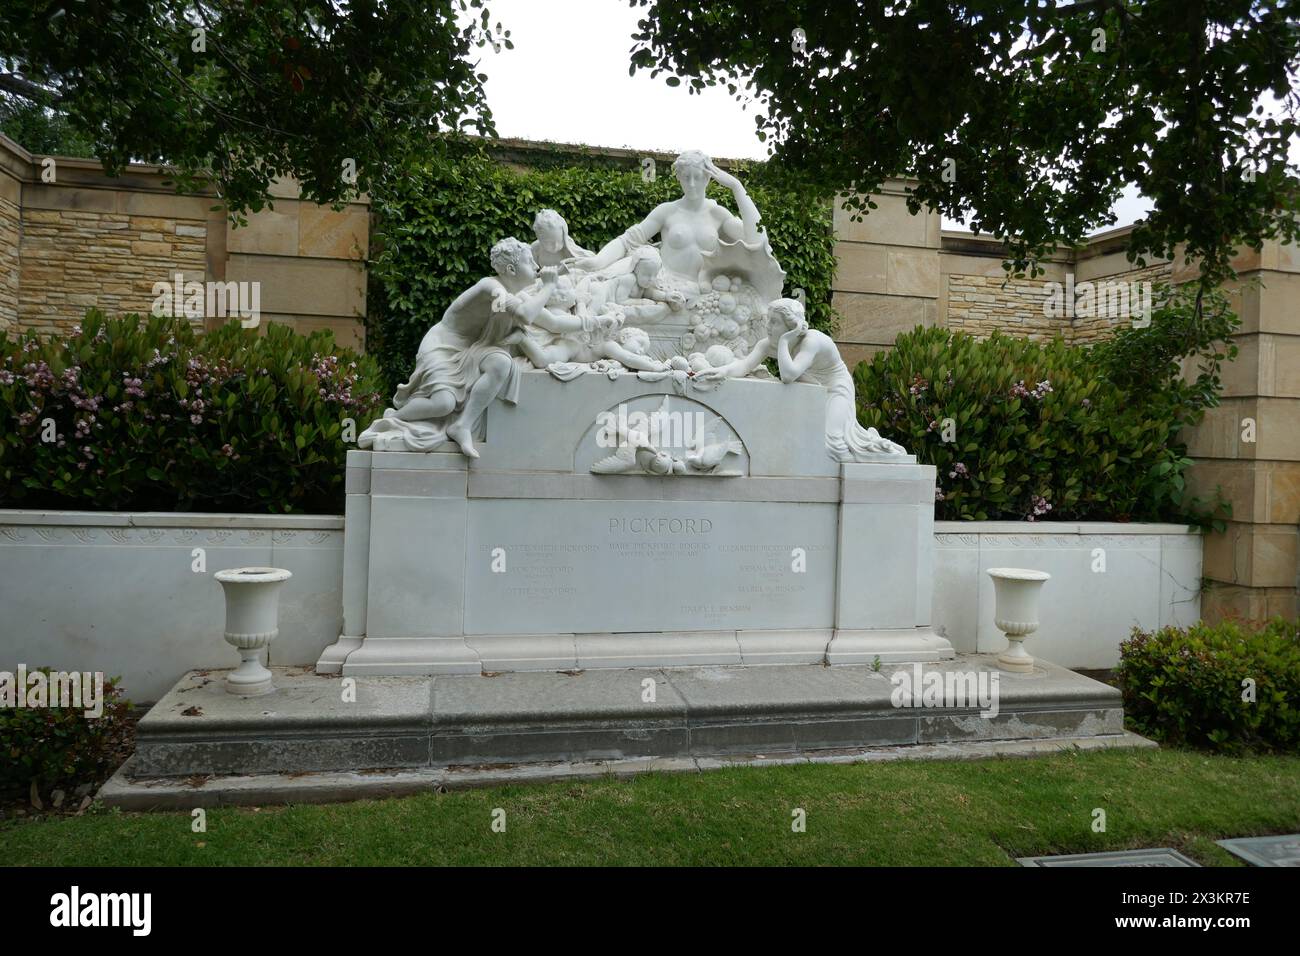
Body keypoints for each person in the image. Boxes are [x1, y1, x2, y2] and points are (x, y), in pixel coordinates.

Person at [358, 238, 558, 457]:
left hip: (474, 347)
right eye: (531, 262)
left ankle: (462, 425)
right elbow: (524, 315)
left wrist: (596, 322)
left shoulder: (513, 296)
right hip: (443, 346)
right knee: (443, 404)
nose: (537, 267)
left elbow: (548, 322)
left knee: (501, 363)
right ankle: (393, 418)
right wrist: (549, 285)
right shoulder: (490, 287)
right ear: (511, 269)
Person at [698, 298, 908, 460]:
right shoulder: (766, 343)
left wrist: (783, 341)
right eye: (768, 321)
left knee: (833, 442)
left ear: (791, 325)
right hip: (808, 386)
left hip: (834, 388)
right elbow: (744, 365)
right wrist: (722, 372)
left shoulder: (812, 340)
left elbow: (788, 375)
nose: (768, 327)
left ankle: (868, 460)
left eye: (775, 322)